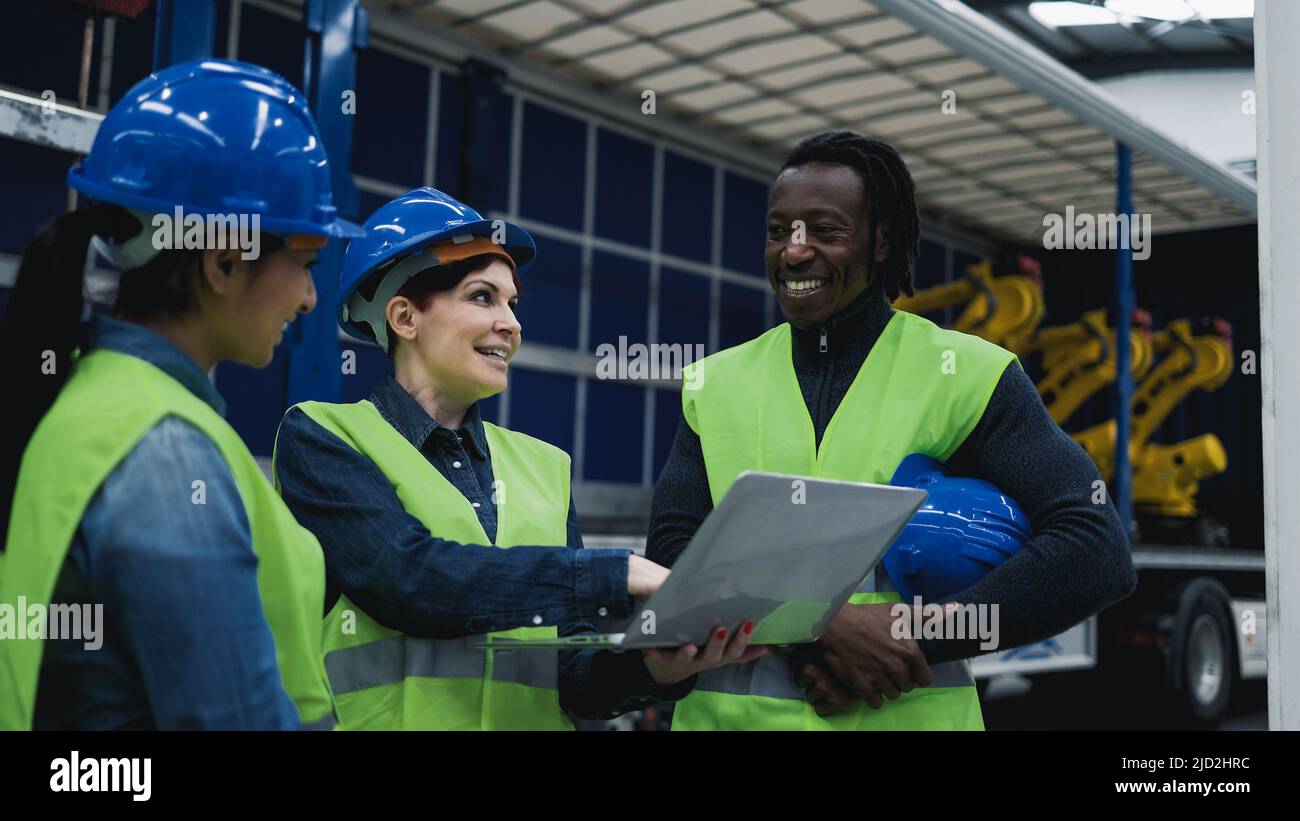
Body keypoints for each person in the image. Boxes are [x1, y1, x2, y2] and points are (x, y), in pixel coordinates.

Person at [648, 131, 1137, 730]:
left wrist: (914, 635)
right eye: (779, 231)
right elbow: (672, 561)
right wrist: (818, 628)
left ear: (881, 240)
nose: (794, 252)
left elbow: (1095, 548)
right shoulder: (715, 384)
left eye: (825, 230)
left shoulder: (968, 374)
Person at [273, 187, 764, 730]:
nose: (511, 323)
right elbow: (406, 579)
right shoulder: (324, 437)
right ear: (405, 317)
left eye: (512, 302)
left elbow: (573, 677)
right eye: (482, 297)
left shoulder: (546, 467)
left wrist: (650, 670)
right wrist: (612, 573)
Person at [0, 60, 364, 730]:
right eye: (306, 266)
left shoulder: (95, 395)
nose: (311, 297)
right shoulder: (165, 453)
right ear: (222, 262)